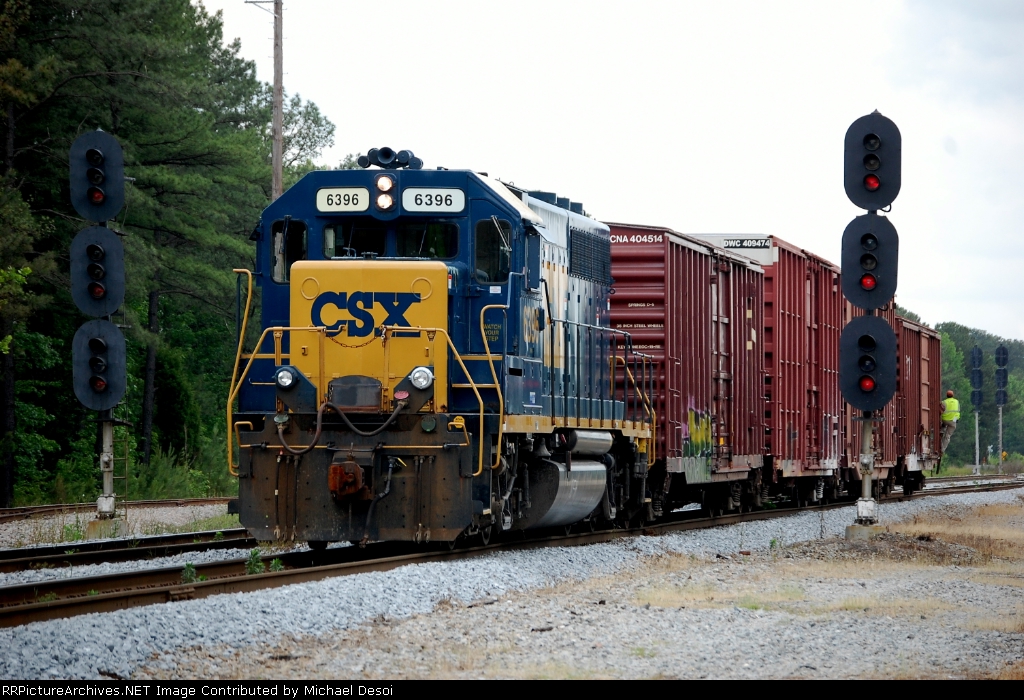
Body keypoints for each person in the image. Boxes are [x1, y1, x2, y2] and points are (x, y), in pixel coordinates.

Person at [939, 390, 960, 454]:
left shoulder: (944, 402)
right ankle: (942, 450)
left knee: (943, 427)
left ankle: (941, 432)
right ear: (953, 395)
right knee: (947, 436)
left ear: (947, 395)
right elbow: (958, 412)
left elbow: (940, 411)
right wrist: (955, 420)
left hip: (944, 420)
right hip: (953, 421)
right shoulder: (957, 402)